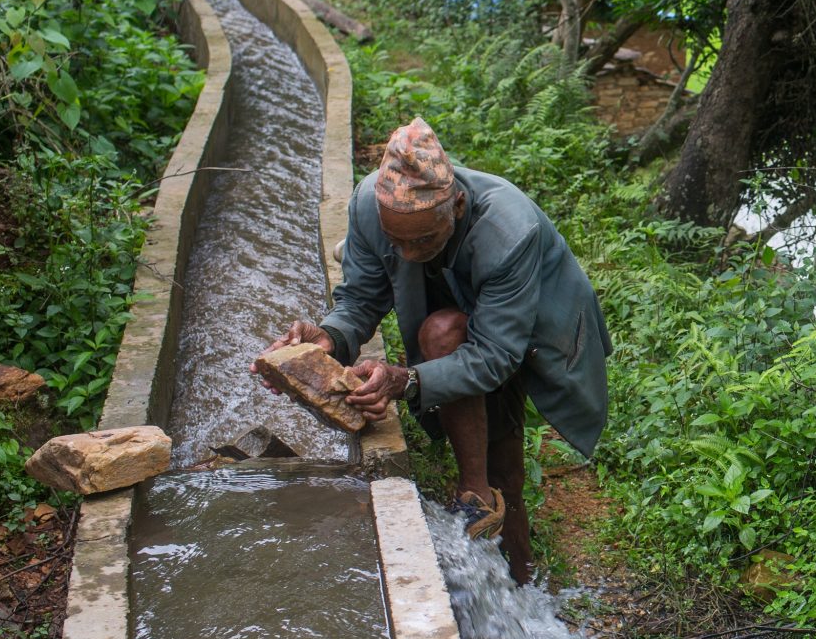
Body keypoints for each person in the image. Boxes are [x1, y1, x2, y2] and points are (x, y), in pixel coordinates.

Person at [258, 118, 609, 582]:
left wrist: (410, 379)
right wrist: (329, 337)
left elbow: (495, 355)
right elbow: (361, 300)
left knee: (499, 445)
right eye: (394, 241)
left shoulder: (509, 231)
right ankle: (486, 512)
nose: (404, 255)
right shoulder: (370, 205)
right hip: (452, 313)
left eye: (422, 239)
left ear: (457, 207)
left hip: (534, 324)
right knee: (444, 339)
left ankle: (515, 561)